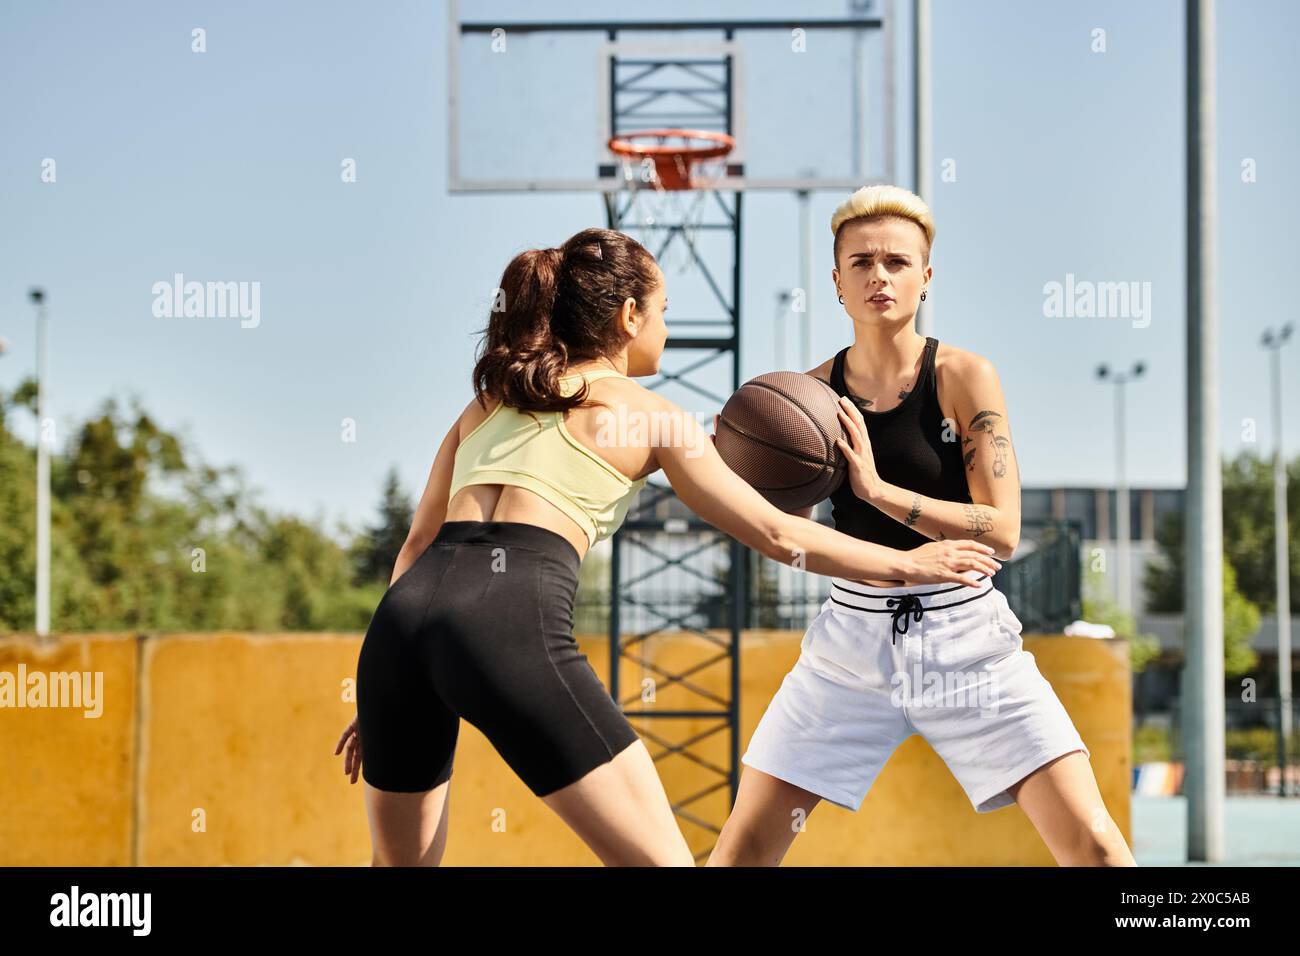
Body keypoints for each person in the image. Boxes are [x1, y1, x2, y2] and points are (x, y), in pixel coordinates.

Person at [334, 225, 1000, 866]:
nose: (666, 328)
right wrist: (907, 561)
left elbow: (419, 541)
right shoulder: (651, 416)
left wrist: (389, 691)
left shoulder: (491, 400)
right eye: (662, 310)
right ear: (629, 315)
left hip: (401, 625)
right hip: (505, 621)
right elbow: (775, 532)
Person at [707, 185, 1137, 867]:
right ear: (837, 281)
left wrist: (877, 490)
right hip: (849, 646)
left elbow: (1000, 530)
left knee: (1096, 849)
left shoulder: (965, 376)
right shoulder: (805, 397)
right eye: (862, 262)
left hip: (966, 641)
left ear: (925, 278)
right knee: (740, 855)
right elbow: (783, 528)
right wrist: (733, 460)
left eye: (898, 262)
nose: (880, 275)